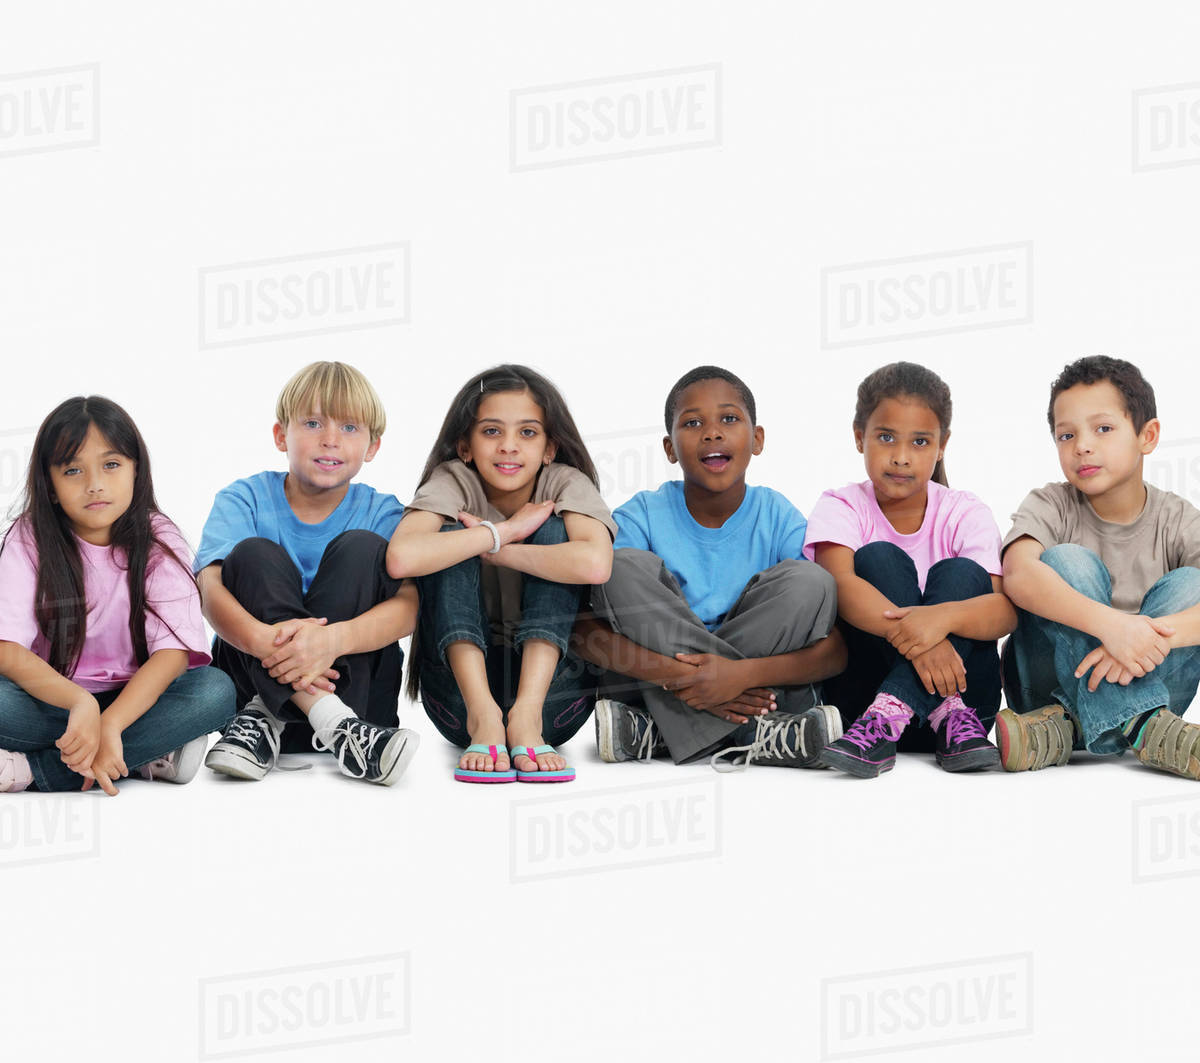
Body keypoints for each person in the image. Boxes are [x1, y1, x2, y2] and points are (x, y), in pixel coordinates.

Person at [572, 365, 846, 771]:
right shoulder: (642, 515)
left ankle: (658, 731)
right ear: (669, 448)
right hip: (664, 679)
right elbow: (582, 632)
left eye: (729, 419)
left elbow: (835, 650)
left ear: (757, 439)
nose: (712, 432)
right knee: (620, 568)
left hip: (741, 682)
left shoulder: (777, 516)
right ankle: (760, 733)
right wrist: (685, 678)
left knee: (812, 581)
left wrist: (738, 675)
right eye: (693, 422)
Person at [194, 361, 419, 786]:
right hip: (253, 716)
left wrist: (331, 640)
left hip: (360, 702)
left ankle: (315, 717)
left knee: (363, 548)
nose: (330, 439)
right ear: (281, 435)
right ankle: (324, 722)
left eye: (350, 428)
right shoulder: (245, 498)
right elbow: (209, 591)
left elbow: (409, 608)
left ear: (373, 446)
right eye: (313, 422)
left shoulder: (383, 512)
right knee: (253, 554)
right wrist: (268, 645)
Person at [387, 365, 614, 783]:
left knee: (554, 531)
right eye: (492, 431)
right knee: (451, 537)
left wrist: (499, 552)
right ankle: (486, 716)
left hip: (554, 701)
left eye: (527, 433)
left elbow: (595, 563)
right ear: (466, 445)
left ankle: (525, 716)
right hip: (459, 702)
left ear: (550, 448)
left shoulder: (564, 481)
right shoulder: (454, 479)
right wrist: (501, 532)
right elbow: (402, 557)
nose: (509, 446)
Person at [0, 396, 234, 794]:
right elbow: (7, 649)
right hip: (51, 700)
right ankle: (144, 757)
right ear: (51, 486)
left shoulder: (158, 538)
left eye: (111, 465)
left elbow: (173, 654)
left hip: (137, 701)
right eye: (72, 470)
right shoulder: (29, 538)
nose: (95, 484)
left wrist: (110, 723)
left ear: (135, 470)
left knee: (215, 692)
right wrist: (81, 704)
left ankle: (33, 769)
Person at [807, 362, 1015, 778]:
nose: (901, 457)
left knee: (960, 573)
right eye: (886, 438)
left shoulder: (964, 511)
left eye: (920, 441)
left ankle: (929, 710)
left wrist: (941, 619)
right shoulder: (842, 505)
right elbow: (841, 586)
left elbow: (1003, 611)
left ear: (942, 445)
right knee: (878, 559)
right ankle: (894, 711)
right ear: (858, 436)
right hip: (863, 715)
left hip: (966, 722)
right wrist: (925, 644)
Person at [998, 356, 1200, 778]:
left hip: (1153, 677)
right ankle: (1144, 723)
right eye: (1065, 435)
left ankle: (1060, 729)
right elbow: (1017, 574)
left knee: (1191, 583)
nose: (1082, 445)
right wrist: (1112, 627)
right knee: (1064, 561)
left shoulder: (1178, 519)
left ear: (1148, 435)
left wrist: (1143, 641)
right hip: (1042, 682)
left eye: (1102, 429)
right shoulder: (1051, 503)